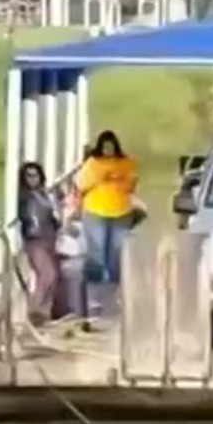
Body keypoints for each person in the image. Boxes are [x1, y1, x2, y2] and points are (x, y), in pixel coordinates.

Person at [78, 130, 138, 315]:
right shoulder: (92, 163)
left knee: (116, 254)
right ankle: (93, 298)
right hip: (96, 211)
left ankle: (114, 295)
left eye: (111, 147)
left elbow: (131, 185)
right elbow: (81, 185)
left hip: (121, 212)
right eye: (105, 147)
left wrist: (120, 178)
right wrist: (100, 177)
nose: (108, 150)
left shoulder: (127, 163)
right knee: (96, 253)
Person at [16, 161, 61, 322]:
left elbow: (51, 216)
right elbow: (24, 218)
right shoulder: (23, 197)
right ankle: (33, 311)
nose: (32, 179)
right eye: (28, 176)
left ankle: (44, 314)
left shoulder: (43, 194)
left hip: (49, 237)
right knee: (47, 275)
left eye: (35, 175)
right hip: (34, 240)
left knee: (54, 279)